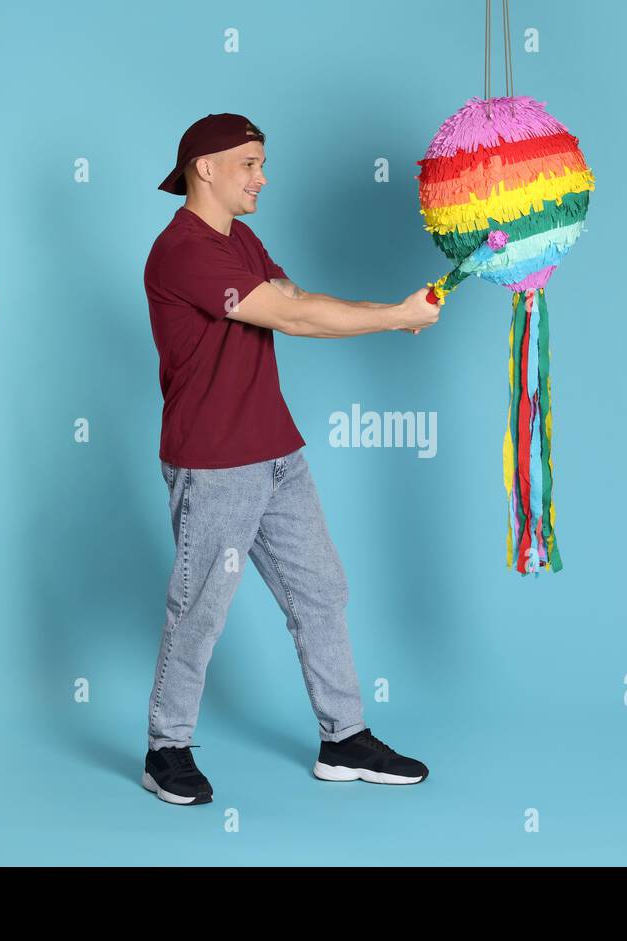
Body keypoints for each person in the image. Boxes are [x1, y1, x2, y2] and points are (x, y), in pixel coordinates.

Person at [141, 113, 441, 806]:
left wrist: (391, 309)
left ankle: (344, 738)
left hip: (276, 450)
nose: (262, 177)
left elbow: (299, 299)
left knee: (322, 591)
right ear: (205, 167)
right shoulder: (182, 251)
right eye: (250, 163)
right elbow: (289, 314)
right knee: (200, 607)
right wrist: (395, 317)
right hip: (215, 464)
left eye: (263, 162)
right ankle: (166, 748)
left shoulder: (240, 238)